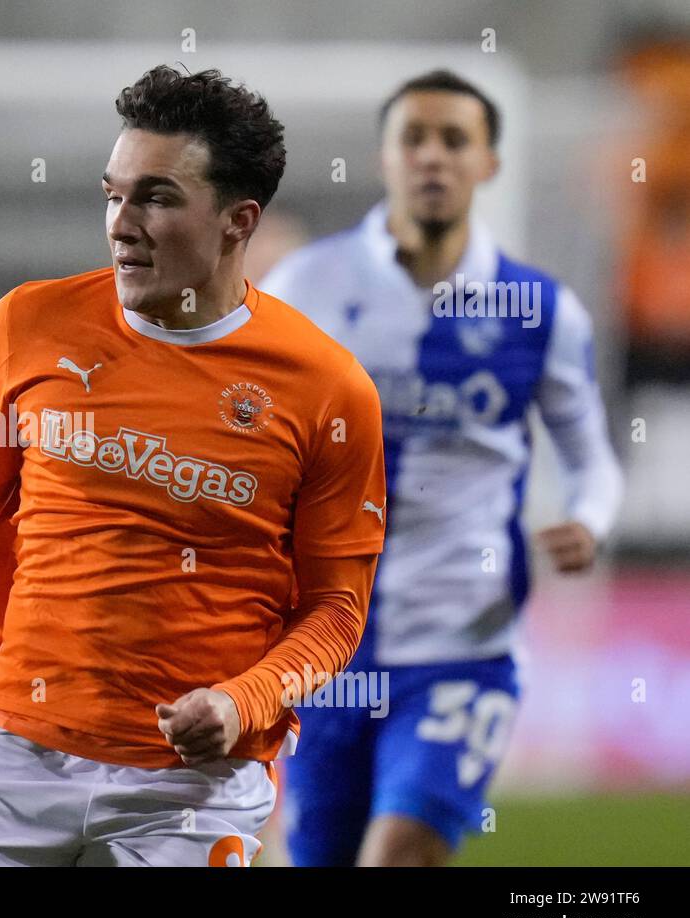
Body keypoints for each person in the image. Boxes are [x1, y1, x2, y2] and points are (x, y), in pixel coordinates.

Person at [0, 64, 388, 866]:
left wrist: (240, 700)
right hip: (14, 762)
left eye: (155, 197)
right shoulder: (26, 326)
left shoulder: (326, 389)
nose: (121, 222)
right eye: (112, 194)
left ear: (237, 220)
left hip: (193, 788)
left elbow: (336, 612)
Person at [257, 69, 624, 866]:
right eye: (412, 139)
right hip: (326, 645)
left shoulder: (540, 309)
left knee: (402, 851)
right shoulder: (305, 287)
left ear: (489, 163)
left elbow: (590, 455)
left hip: (465, 637)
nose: (432, 157)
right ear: (385, 158)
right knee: (319, 853)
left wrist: (588, 521)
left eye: (454, 140)